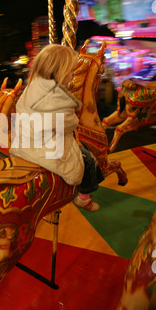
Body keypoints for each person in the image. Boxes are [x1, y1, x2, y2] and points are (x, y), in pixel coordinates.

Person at [9, 43, 104, 212]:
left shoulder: (31, 87)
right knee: (88, 159)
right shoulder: (56, 97)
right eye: (70, 71)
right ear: (57, 71)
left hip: (24, 144)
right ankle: (84, 197)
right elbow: (71, 124)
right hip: (46, 150)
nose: (73, 74)